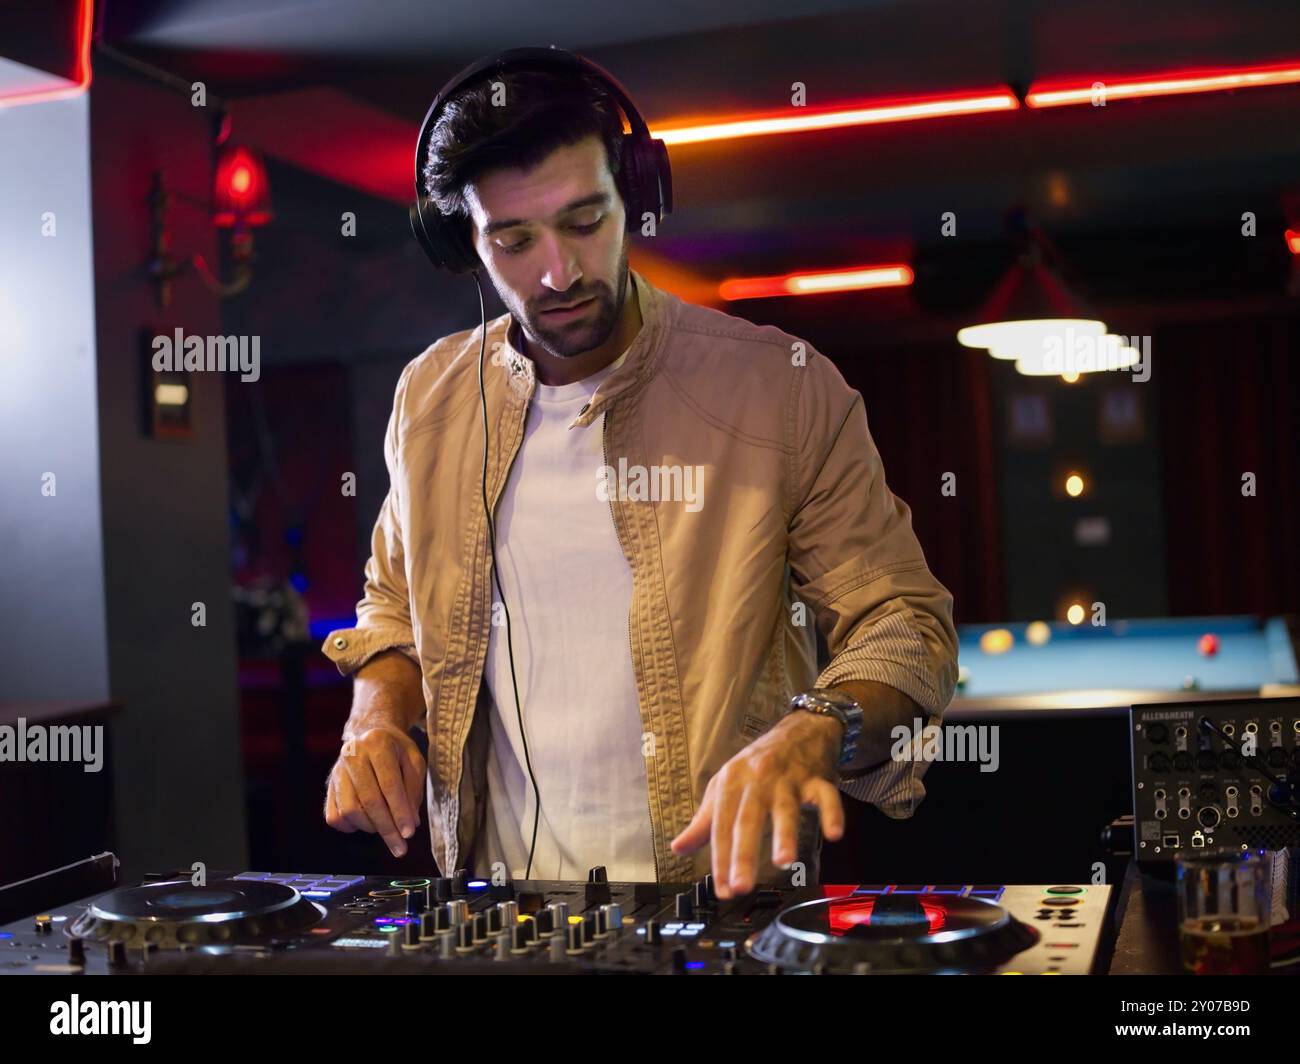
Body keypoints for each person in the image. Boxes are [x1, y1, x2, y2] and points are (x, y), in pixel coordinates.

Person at [323, 58, 957, 899]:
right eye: (513, 241)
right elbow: (394, 607)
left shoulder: (783, 388)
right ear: (460, 242)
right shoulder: (430, 398)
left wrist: (816, 729)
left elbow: (907, 625)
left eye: (585, 220)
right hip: (498, 917)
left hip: (727, 909)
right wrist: (375, 715)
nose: (558, 272)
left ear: (634, 198)